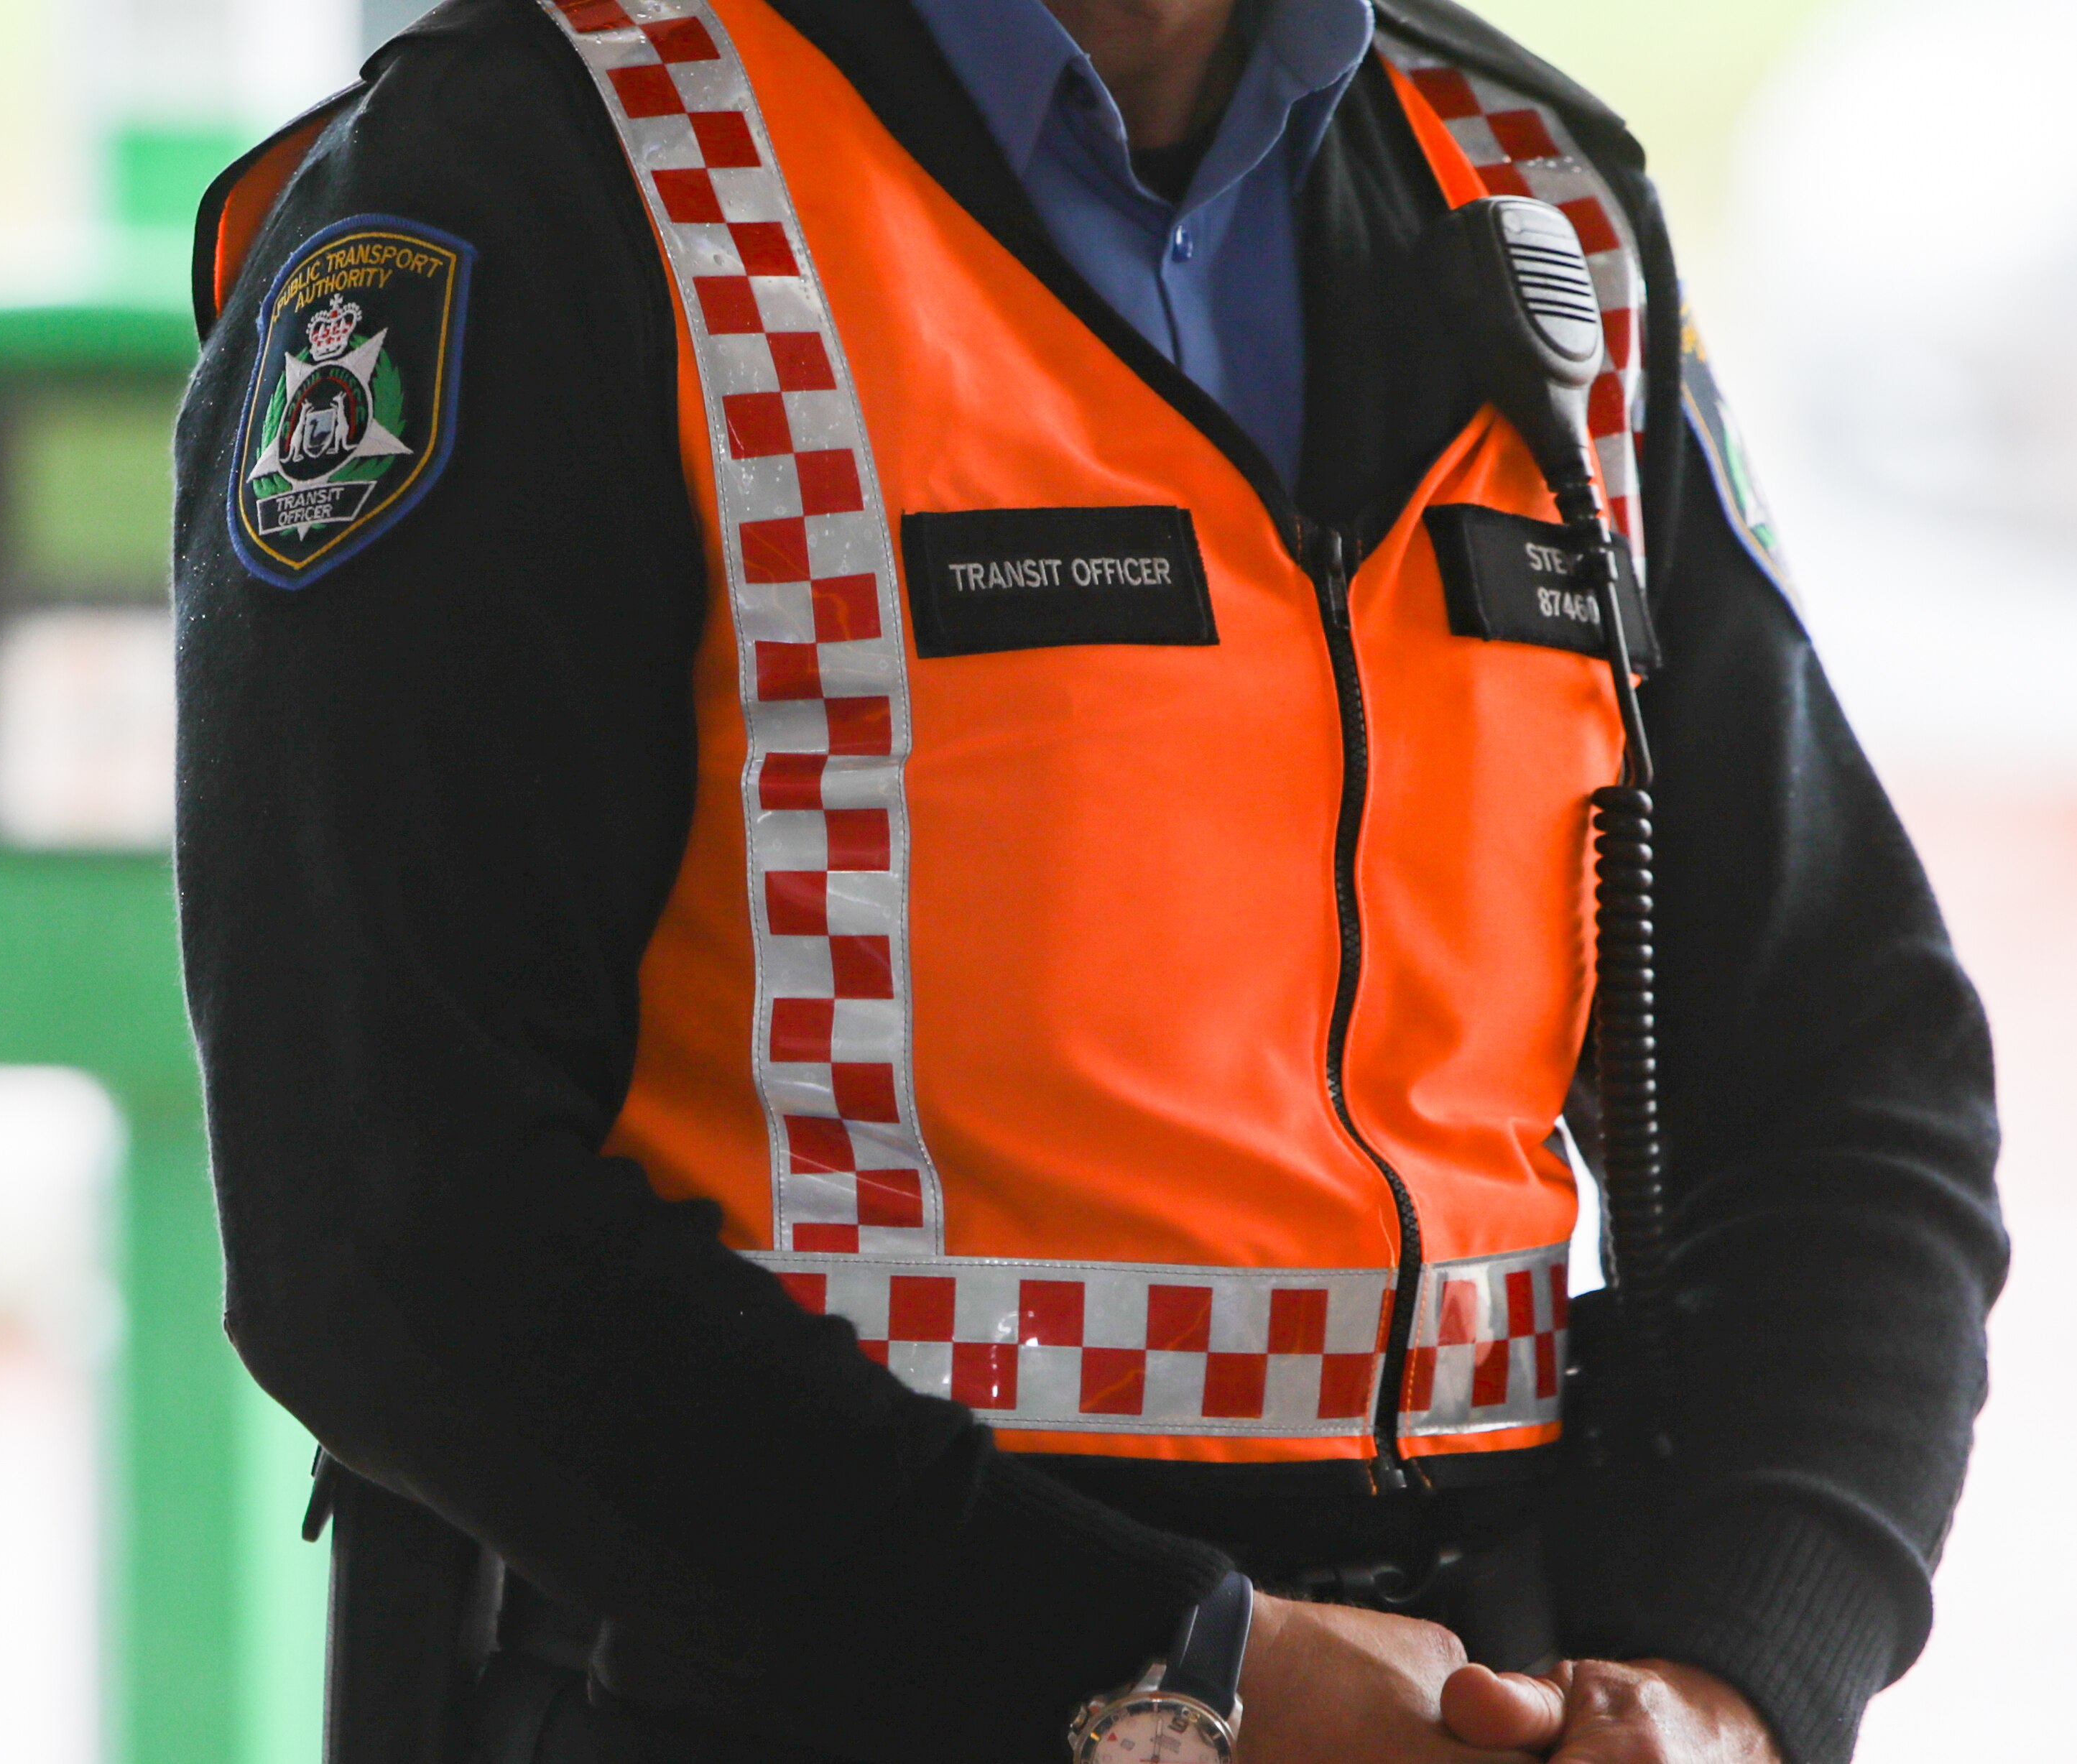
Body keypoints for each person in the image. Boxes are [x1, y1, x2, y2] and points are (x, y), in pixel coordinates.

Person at [170, 1, 2007, 1762]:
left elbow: (1845, 1083)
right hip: (777, 1703)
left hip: (1470, 1701)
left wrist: (1739, 1674)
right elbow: (392, 1217)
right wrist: (1168, 1677)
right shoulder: (535, 173)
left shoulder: (1535, 197)